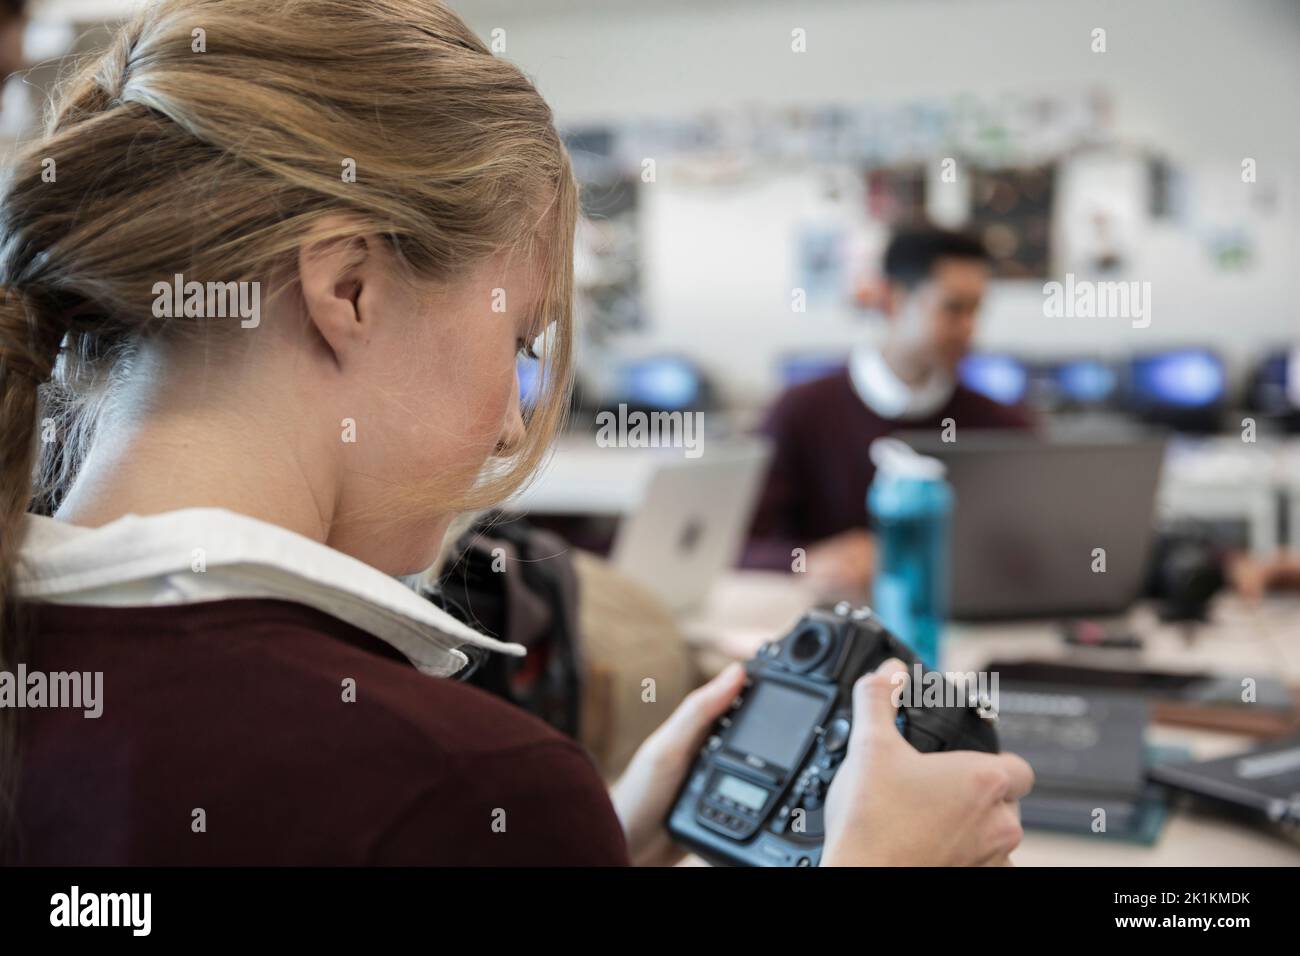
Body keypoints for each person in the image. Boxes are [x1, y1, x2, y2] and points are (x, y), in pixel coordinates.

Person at [0, 0, 1030, 866]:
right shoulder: (461, 778)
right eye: (520, 339)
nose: (507, 420)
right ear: (347, 287)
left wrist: (592, 844)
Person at [745, 228, 1035, 594]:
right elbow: (737, 546)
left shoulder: (1002, 426)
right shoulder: (800, 412)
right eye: (953, 308)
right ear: (892, 300)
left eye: (976, 311)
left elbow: (1032, 545)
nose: (970, 330)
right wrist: (808, 560)